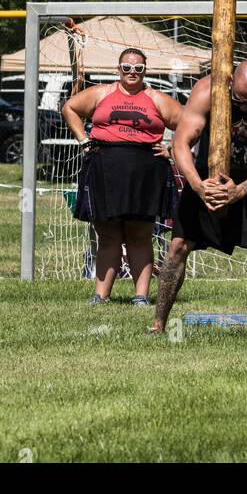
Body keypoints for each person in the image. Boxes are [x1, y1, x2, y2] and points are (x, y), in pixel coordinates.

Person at [150, 60, 247, 336]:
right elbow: (180, 144)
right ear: (231, 83)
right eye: (239, 101)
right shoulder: (206, 89)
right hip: (208, 180)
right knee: (177, 248)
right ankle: (157, 324)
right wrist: (199, 187)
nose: (245, 108)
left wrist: (238, 191)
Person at [62, 48, 182, 305]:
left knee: (140, 235)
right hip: (105, 170)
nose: (132, 73)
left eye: (138, 68)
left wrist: (171, 148)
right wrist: (84, 141)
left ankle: (141, 297)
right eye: (127, 68)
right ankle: (100, 296)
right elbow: (69, 108)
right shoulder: (103, 93)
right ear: (118, 69)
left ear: (145, 71)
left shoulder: (156, 98)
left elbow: (188, 123)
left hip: (146, 173)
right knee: (107, 236)